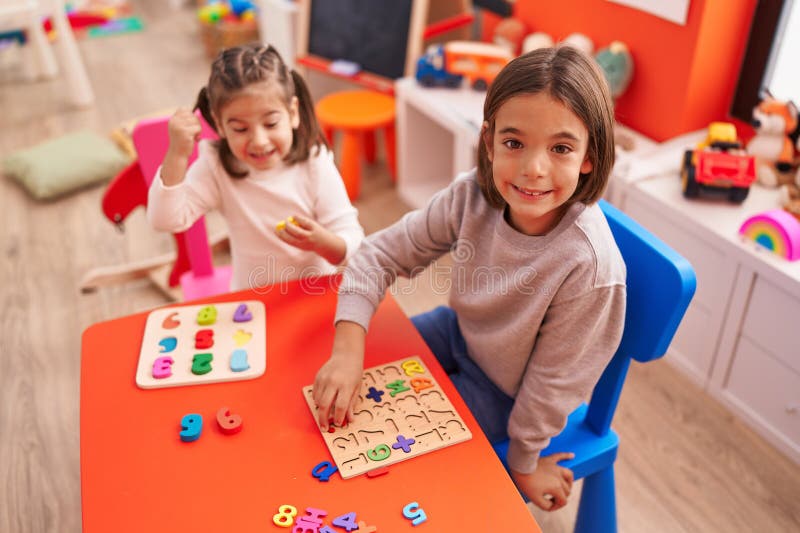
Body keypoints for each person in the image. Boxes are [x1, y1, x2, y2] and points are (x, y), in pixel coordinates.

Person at [312, 45, 626, 511]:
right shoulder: (470, 195)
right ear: (489, 140)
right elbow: (378, 254)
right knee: (340, 381)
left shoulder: (591, 267)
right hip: (457, 332)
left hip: (508, 393)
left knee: (388, 458)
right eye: (514, 143)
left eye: (560, 148)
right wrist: (347, 348)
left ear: (589, 156)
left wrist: (524, 462)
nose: (533, 168)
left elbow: (552, 385)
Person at [148, 43, 364, 291]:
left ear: (292, 113)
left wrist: (323, 243)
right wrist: (177, 154)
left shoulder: (314, 164)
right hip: (251, 299)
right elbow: (165, 220)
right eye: (240, 129)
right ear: (219, 125)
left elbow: (355, 243)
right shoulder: (217, 166)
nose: (259, 141)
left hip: (315, 293)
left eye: (271, 124)